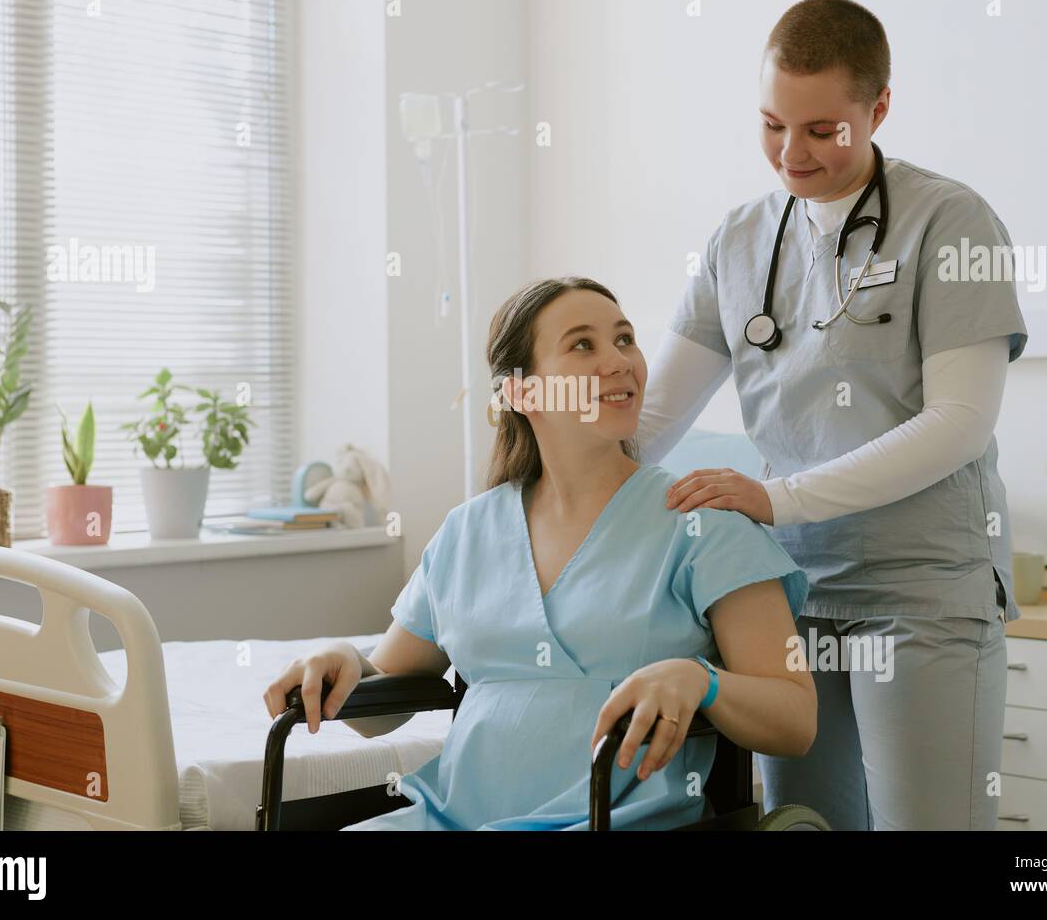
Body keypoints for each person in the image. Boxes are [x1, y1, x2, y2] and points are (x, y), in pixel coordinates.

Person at [636, 0, 1029, 830]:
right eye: (773, 124)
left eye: (822, 130)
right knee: (806, 826)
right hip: (789, 595)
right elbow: (651, 419)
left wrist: (777, 498)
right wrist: (538, 471)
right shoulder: (736, 241)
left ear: (878, 108)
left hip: (918, 589)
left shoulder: (949, 221)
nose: (792, 152)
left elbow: (960, 421)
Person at [264, 277, 813, 830]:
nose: (620, 361)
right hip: (449, 819)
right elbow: (387, 700)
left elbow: (796, 717)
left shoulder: (704, 523)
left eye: (625, 339)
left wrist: (700, 679)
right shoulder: (467, 532)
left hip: (614, 820)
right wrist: (342, 663)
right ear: (521, 393)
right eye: (583, 345)